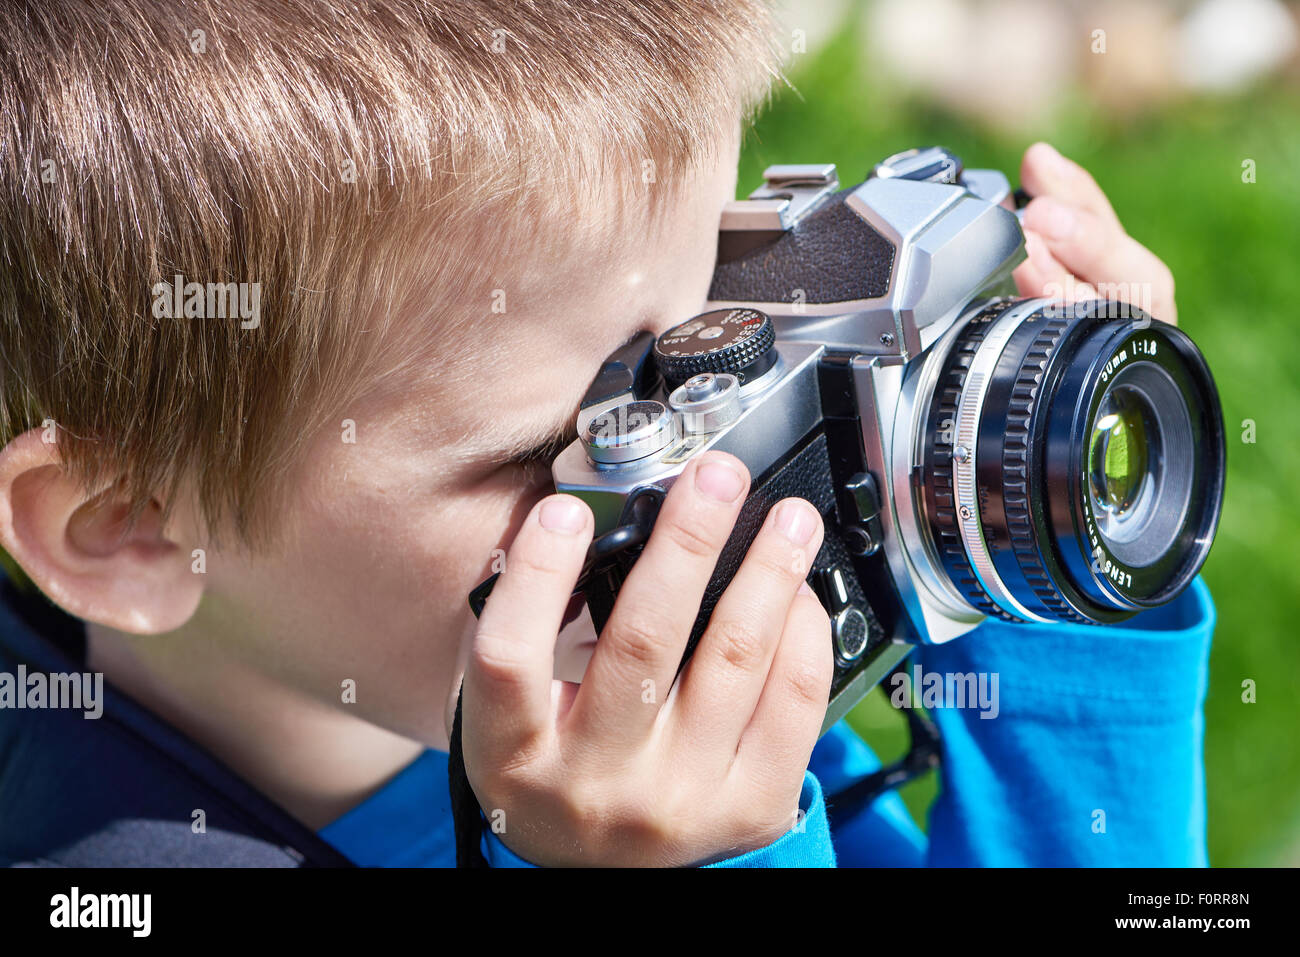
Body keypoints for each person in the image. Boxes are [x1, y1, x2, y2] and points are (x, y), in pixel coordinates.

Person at [0, 0, 1209, 867]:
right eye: (572, 449)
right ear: (131, 529)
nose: (716, 475)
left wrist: (1042, 579)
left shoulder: (651, 673)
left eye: (734, 334)